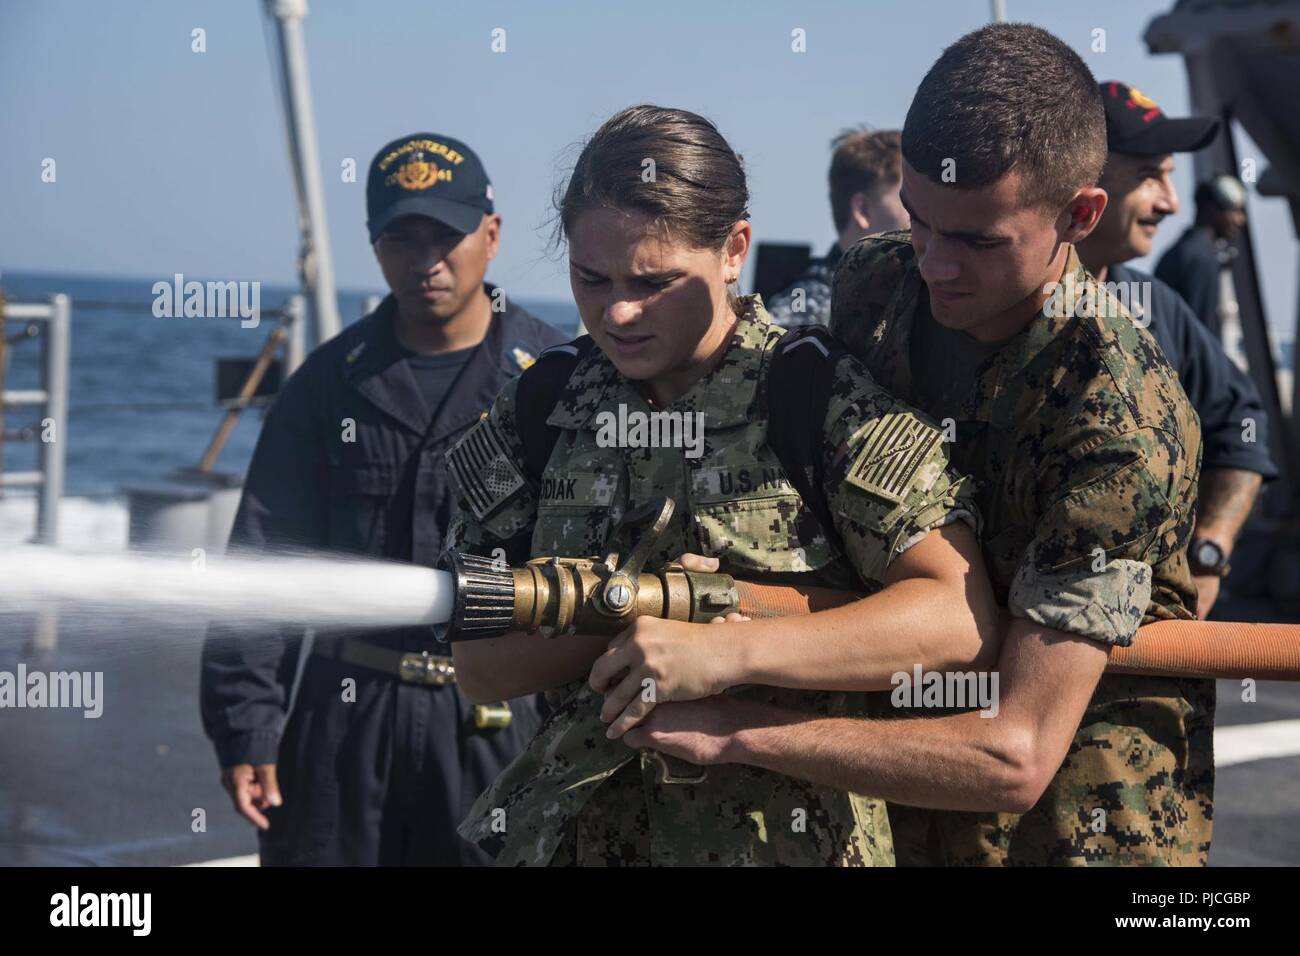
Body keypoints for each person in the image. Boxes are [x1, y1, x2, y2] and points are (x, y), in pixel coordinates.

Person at [624, 24, 1209, 867]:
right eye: (921, 220)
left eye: (976, 240)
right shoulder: (876, 285)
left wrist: (737, 729)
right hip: (890, 797)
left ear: (1081, 216)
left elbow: (1017, 753)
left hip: (1069, 829)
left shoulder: (1119, 420)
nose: (934, 263)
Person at [445, 104, 1003, 866]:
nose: (618, 311)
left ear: (735, 247)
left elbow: (956, 620)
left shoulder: (815, 400)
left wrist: (729, 652)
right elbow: (479, 666)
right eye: (590, 277)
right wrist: (637, 610)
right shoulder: (544, 407)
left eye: (655, 280)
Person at [199, 133, 565, 865]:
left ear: (490, 237)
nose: (426, 259)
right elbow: (265, 561)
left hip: (500, 721)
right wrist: (248, 727)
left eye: (446, 235)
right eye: (402, 237)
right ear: (374, 245)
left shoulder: (554, 385)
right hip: (343, 717)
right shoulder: (327, 383)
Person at [1077, 81, 1277, 618]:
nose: (1171, 201)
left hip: (1151, 665)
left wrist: (1209, 553)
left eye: (1171, 175)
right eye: (1150, 176)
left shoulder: (1155, 305)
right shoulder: (982, 310)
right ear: (1082, 182)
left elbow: (1238, 421)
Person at [766, 128, 907, 328]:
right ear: (863, 210)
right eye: (907, 201)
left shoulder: (908, 295)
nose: (922, 212)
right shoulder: (808, 308)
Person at [1156, 174, 1249, 338]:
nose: (1240, 220)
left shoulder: (1183, 250)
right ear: (1211, 210)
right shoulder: (1202, 258)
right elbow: (1201, 328)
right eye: (1234, 211)